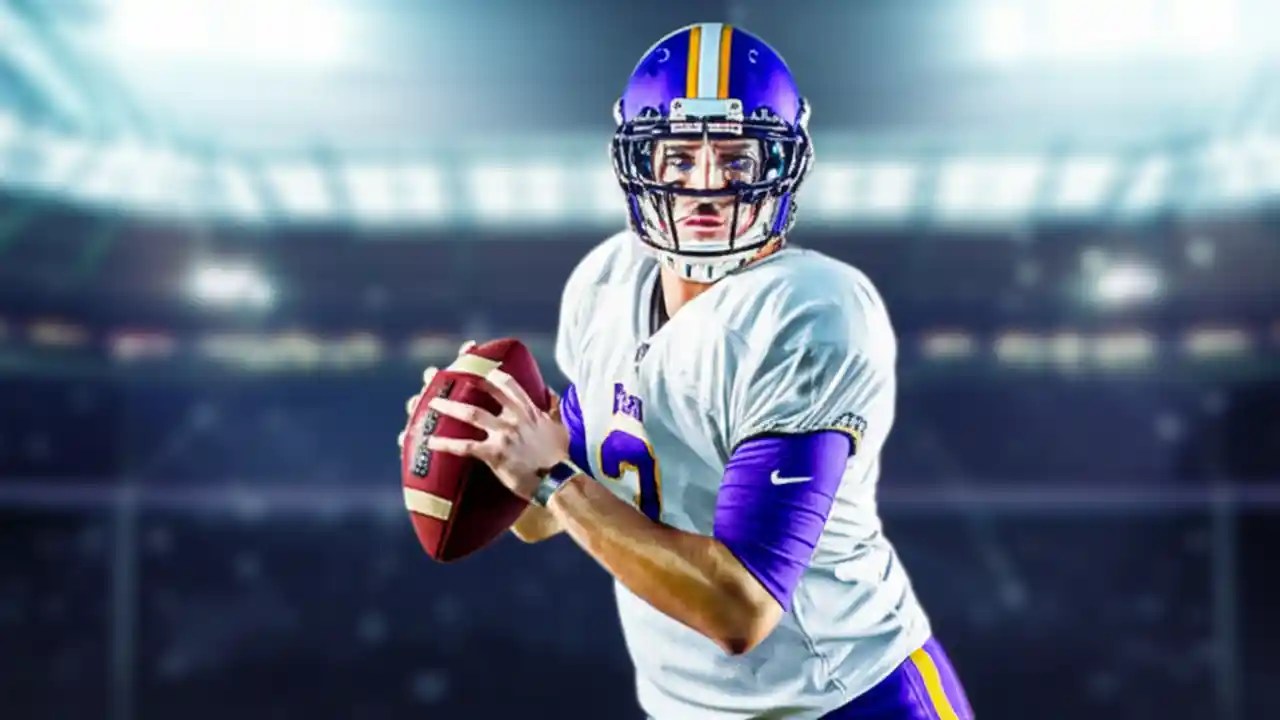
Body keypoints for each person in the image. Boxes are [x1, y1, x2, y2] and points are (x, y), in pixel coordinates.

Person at [400, 23, 974, 719]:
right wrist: (495, 450)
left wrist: (552, 476)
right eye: (678, 157)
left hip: (846, 698)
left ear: (782, 166)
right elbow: (552, 516)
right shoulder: (605, 284)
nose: (705, 185)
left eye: (735, 158)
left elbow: (740, 611)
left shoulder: (810, 314)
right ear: (638, 162)